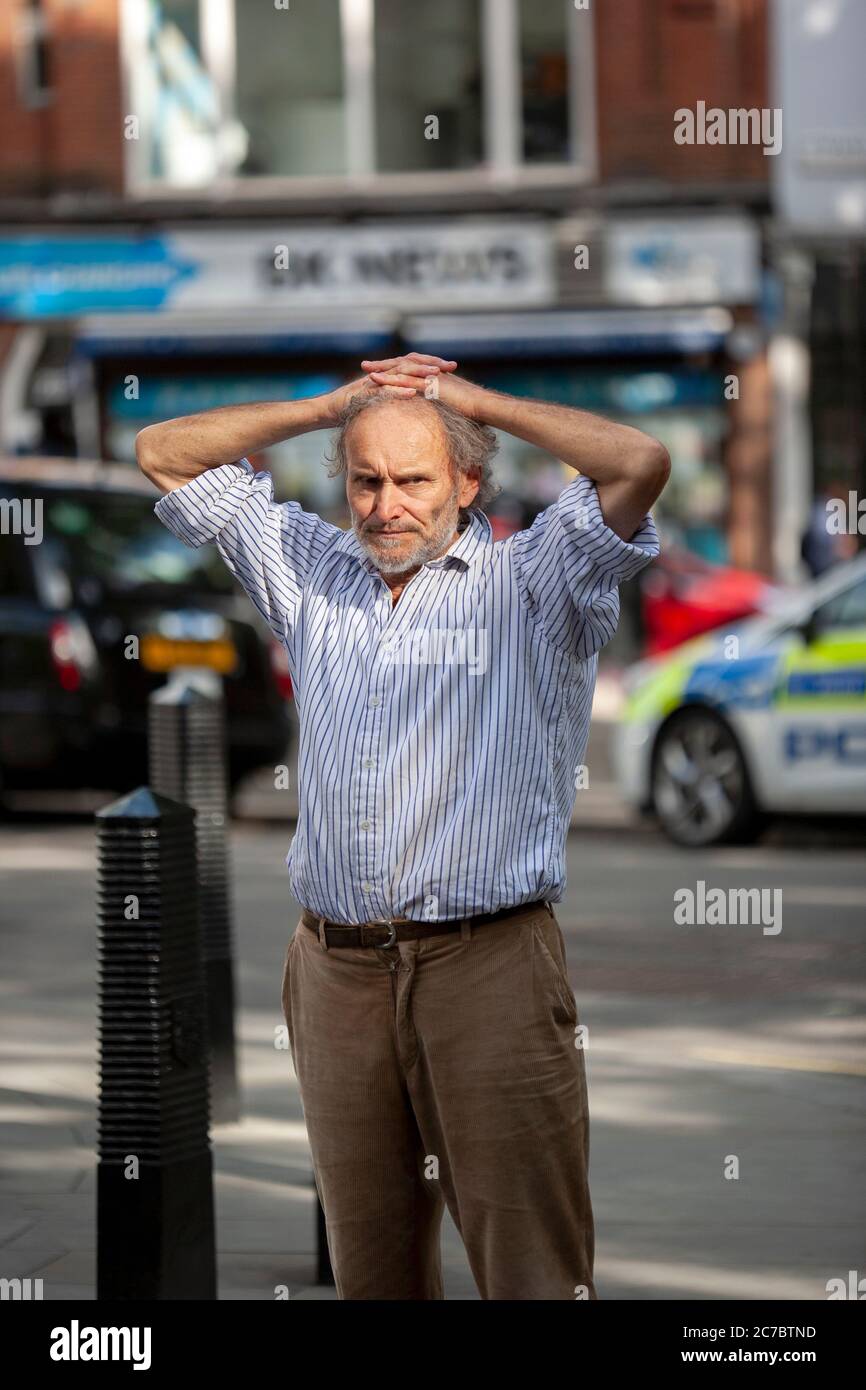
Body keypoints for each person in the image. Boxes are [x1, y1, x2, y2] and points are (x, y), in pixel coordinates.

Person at [137, 352, 670, 1301]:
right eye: (366, 479)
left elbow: (637, 460)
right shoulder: (309, 566)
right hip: (335, 975)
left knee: (531, 1274)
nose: (387, 505)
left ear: (467, 481)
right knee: (371, 1273)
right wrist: (329, 407)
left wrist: (462, 400)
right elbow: (161, 450)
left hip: (489, 971)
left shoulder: (534, 580)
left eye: (415, 479)